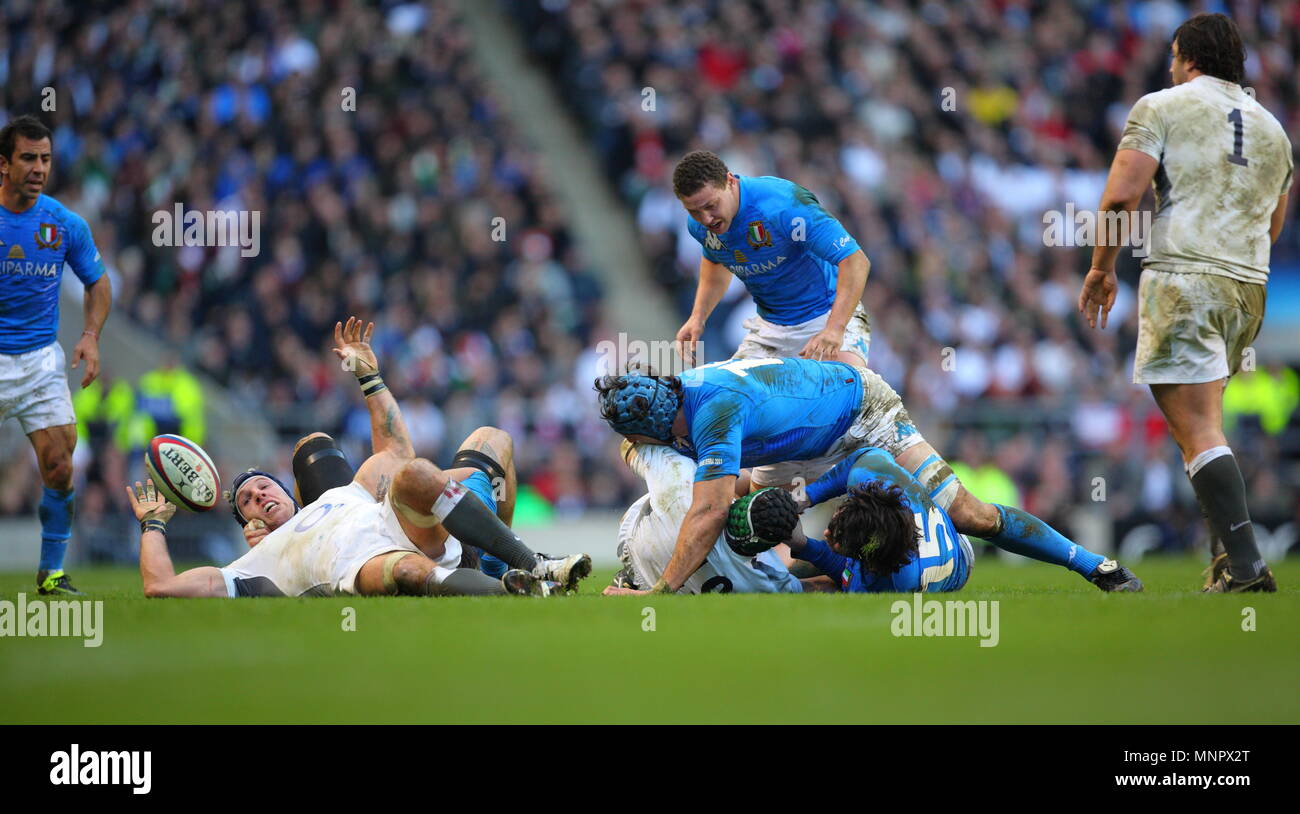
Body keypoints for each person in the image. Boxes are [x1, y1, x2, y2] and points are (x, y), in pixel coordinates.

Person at [594, 356, 1141, 595]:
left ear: (660, 422)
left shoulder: (710, 413)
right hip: (807, 436)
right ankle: (790, 580)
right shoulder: (678, 397)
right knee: (760, 521)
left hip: (864, 413)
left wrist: (661, 591)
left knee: (969, 514)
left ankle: (1097, 567)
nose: (636, 448)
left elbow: (708, 508)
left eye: (638, 441)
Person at [128, 317, 591, 598]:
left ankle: (509, 563)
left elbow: (396, 452)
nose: (258, 494)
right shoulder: (255, 562)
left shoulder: (341, 498)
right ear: (247, 525)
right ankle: (528, 582)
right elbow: (161, 588)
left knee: (490, 441)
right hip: (386, 561)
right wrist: (153, 525)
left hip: (434, 527)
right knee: (405, 567)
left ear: (290, 491)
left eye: (262, 485)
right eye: (246, 500)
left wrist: (370, 379)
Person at [1077, 13, 1291, 593]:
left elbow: (1122, 196)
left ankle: (1246, 568)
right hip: (1249, 286)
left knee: (1196, 431)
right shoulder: (1274, 129)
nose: (1171, 65)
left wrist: (1100, 269)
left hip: (1185, 276)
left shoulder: (1163, 105)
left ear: (1189, 57)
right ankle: (1228, 562)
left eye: (1174, 55)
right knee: (1206, 429)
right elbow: (1273, 224)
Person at [0, 114, 113, 596]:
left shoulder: (63, 224)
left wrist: (90, 335)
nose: (39, 167)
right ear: (3, 164)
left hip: (42, 361)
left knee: (60, 464)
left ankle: (51, 572)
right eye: (28, 157)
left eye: (45, 158)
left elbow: (98, 283)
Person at [672, 150, 871, 368]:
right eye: (694, 212)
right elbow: (715, 262)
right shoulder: (700, 227)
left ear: (730, 182)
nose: (706, 219)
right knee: (728, 400)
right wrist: (697, 318)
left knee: (847, 390)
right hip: (770, 328)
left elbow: (855, 260)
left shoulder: (784, 205)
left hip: (827, 315)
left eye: (711, 206)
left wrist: (835, 329)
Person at [604, 439, 801, 595]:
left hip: (634, 544)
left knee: (739, 479)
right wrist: (813, 552)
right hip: (669, 583)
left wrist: (688, 445)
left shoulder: (682, 484)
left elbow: (630, 445)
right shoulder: (768, 580)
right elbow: (813, 586)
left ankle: (631, 576)